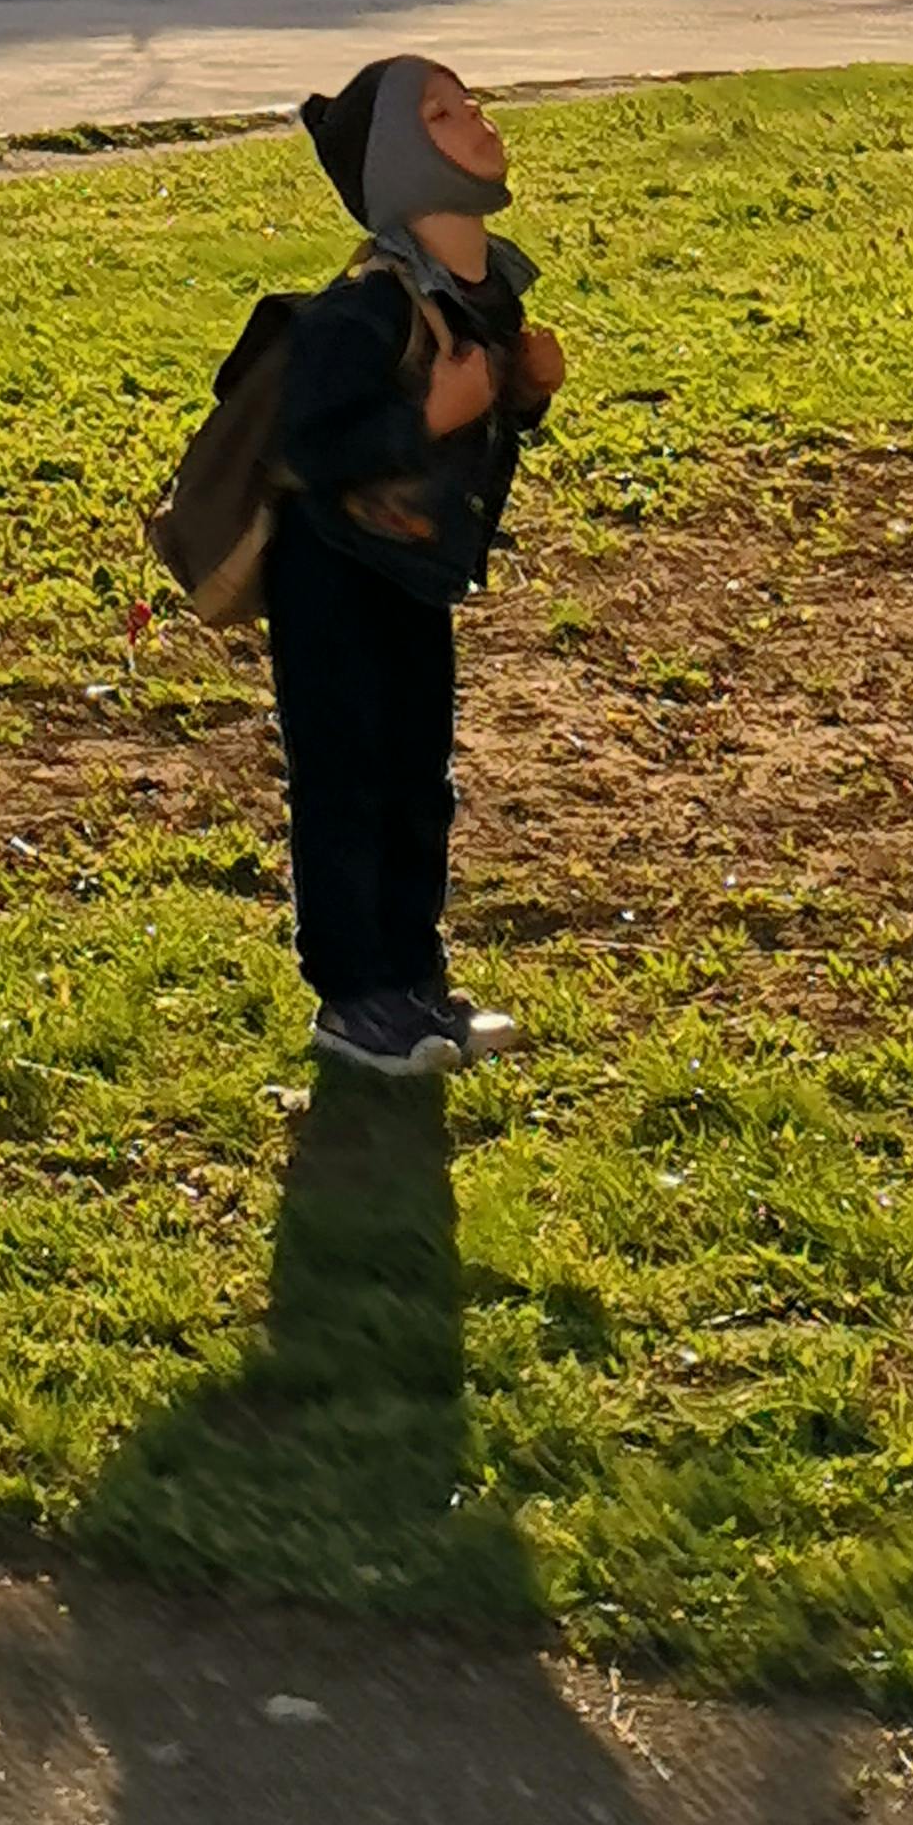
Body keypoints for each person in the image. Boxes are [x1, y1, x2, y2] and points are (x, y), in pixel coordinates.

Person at [262, 54, 569, 1079]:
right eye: (441, 111)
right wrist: (428, 415)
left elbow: (467, 440)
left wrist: (520, 398)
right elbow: (310, 444)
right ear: (402, 164)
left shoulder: (487, 291)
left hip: (409, 573)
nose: (476, 115)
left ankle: (414, 975)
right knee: (347, 776)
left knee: (416, 776)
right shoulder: (368, 304)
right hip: (333, 573)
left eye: (469, 97)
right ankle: (354, 996)